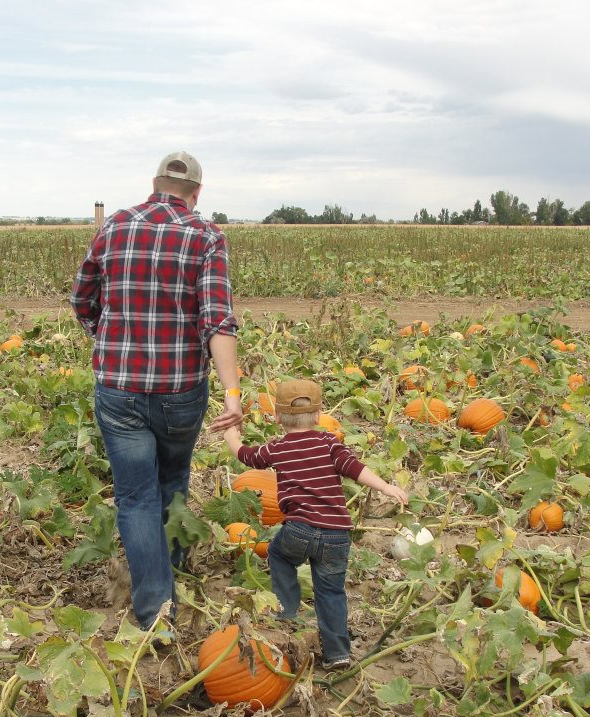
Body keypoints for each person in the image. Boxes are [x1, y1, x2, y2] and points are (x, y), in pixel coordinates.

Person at [71, 151, 243, 630]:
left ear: (154, 183)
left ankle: (155, 613)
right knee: (173, 478)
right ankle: (175, 567)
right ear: (197, 192)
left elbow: (82, 299)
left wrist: (107, 336)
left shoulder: (114, 226)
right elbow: (217, 320)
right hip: (180, 392)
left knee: (135, 498)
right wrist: (232, 393)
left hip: (119, 388)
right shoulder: (206, 236)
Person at [224, 379, 408, 670]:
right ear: (319, 415)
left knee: (278, 554)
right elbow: (356, 469)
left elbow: (248, 457)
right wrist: (386, 487)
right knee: (331, 592)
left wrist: (231, 435)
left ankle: (286, 610)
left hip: (300, 530)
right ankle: (338, 654)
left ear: (277, 417)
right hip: (337, 535)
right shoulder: (330, 443)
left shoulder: (278, 448)